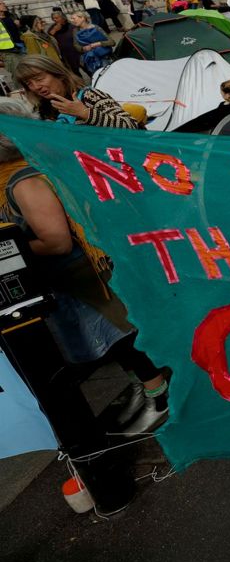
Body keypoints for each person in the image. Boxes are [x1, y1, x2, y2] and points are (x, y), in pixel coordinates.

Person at [0, 98, 169, 435]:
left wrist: (12, 249)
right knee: (117, 340)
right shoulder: (22, 170)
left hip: (84, 279)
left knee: (122, 339)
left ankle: (159, 395)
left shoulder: (24, 180)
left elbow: (56, 241)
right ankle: (145, 388)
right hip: (75, 280)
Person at [13, 56, 140, 128]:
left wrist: (85, 113)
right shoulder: (42, 110)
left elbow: (130, 125)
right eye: (29, 83)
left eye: (39, 79)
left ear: (58, 75)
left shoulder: (89, 96)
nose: (36, 87)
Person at [47, 9, 82, 73]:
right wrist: (54, 30)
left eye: (57, 18)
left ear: (63, 17)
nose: (55, 20)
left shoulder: (71, 26)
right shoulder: (53, 27)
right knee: (75, 72)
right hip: (66, 54)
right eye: (53, 18)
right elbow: (48, 37)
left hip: (77, 52)